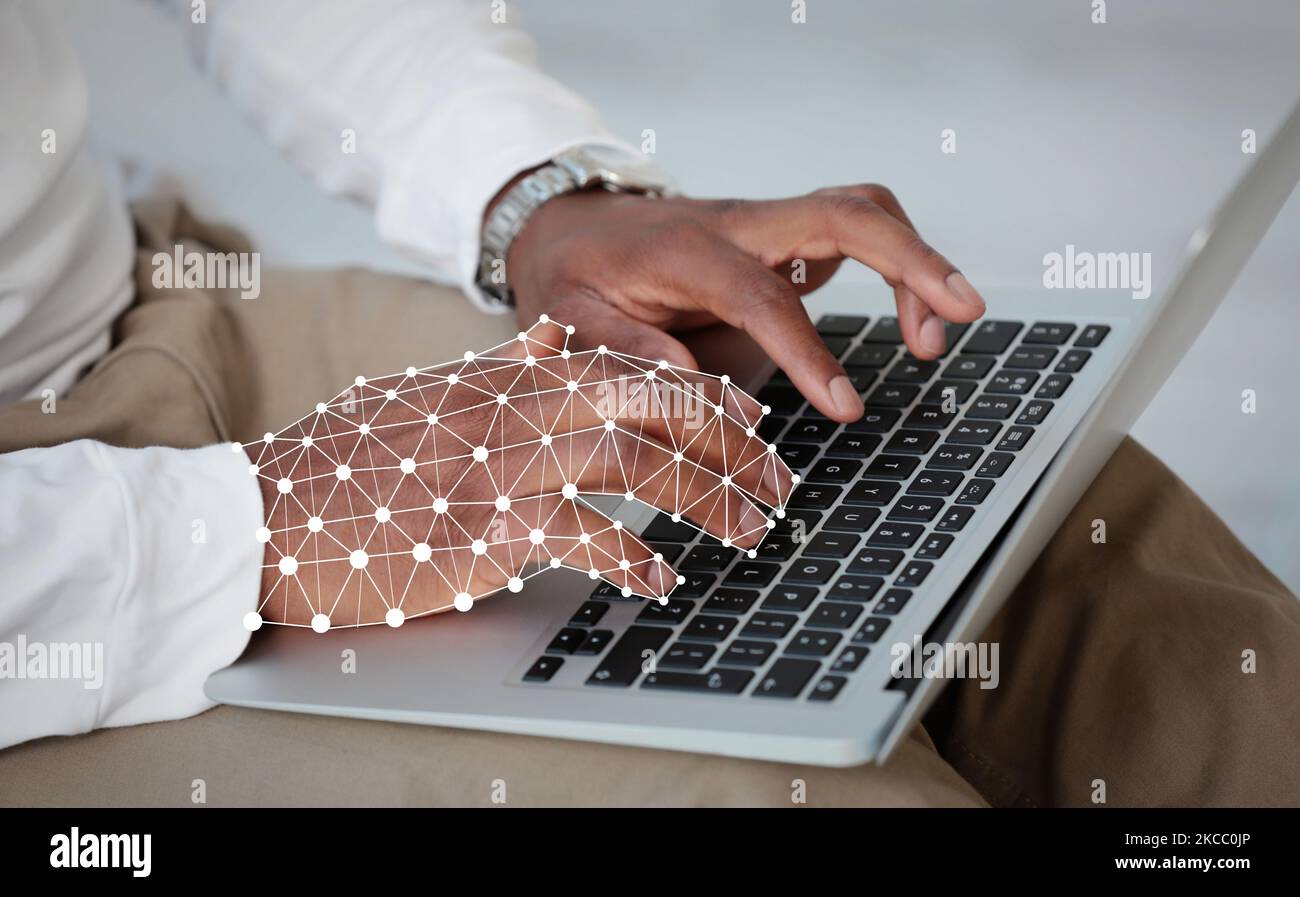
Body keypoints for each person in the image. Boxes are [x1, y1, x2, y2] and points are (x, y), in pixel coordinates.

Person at [1, 0, 1295, 807]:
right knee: (765, 779)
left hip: (147, 305)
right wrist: (258, 529)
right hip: (44, 603)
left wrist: (537, 199)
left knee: (1059, 529)